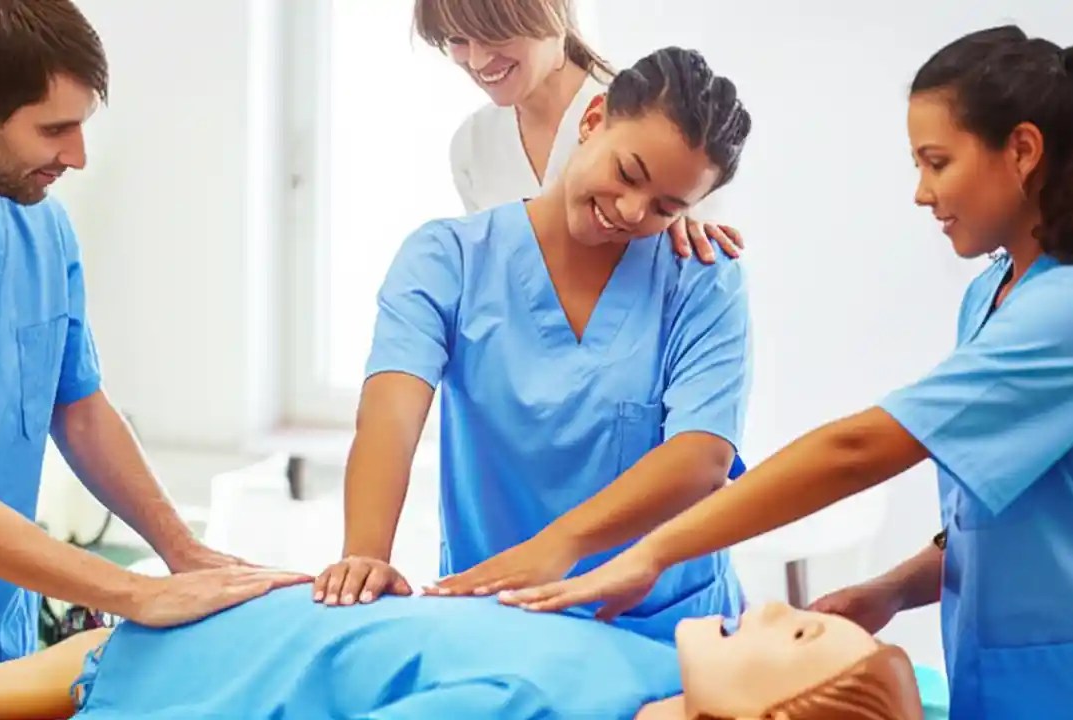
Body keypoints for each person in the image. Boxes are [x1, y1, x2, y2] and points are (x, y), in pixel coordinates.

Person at [501, 26, 1073, 720]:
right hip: (993, 676)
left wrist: (650, 552)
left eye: (937, 162)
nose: (919, 192)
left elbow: (858, 450)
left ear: (1022, 151)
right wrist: (893, 590)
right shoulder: (992, 296)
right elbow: (999, 519)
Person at [0, 0, 308, 681]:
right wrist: (137, 594)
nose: (77, 157)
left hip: (3, 634)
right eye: (55, 129)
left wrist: (182, 551)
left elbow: (78, 408)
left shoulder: (38, 230)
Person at [311, 44, 754, 645]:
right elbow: (391, 412)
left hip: (669, 628)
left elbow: (700, 458)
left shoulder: (700, 276)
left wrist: (557, 549)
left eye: (665, 206)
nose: (629, 210)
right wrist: (365, 555)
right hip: (499, 616)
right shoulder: (448, 260)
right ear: (593, 119)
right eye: (627, 174)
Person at [0, 591, 930, 719]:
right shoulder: (649, 668)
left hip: (212, 670)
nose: (778, 610)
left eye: (793, 639)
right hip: (217, 641)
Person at [414, 0, 746, 264]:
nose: (477, 59)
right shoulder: (471, 145)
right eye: (457, 39)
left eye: (493, 32)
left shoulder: (645, 124)